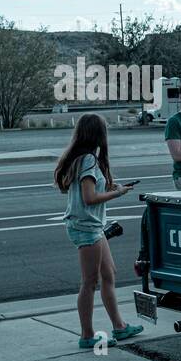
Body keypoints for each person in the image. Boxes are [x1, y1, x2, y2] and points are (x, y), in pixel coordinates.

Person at [53, 114, 143, 348]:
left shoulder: (82, 159)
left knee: (109, 274)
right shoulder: (88, 161)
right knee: (89, 282)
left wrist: (108, 185)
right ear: (98, 134)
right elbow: (89, 198)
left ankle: (120, 327)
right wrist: (118, 193)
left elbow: (88, 189)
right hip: (86, 227)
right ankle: (87, 335)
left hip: (91, 225)